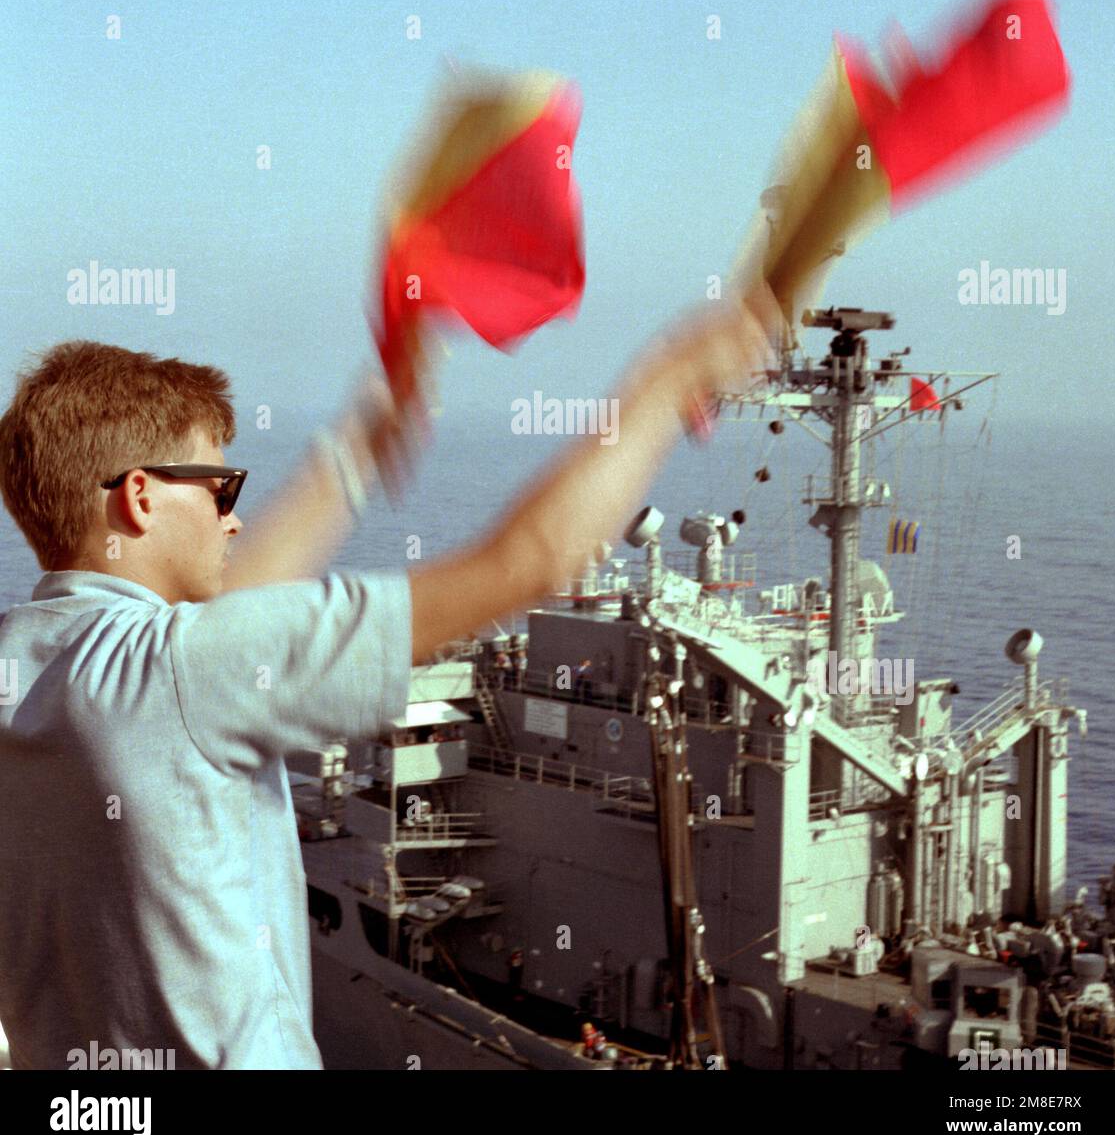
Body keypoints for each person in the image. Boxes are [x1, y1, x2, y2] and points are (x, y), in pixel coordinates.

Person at [0, 289, 780, 1069]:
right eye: (219, 490)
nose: (232, 519)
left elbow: (211, 646)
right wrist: (668, 377)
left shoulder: (28, 668)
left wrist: (355, 454)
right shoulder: (181, 670)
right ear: (139, 497)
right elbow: (528, 561)